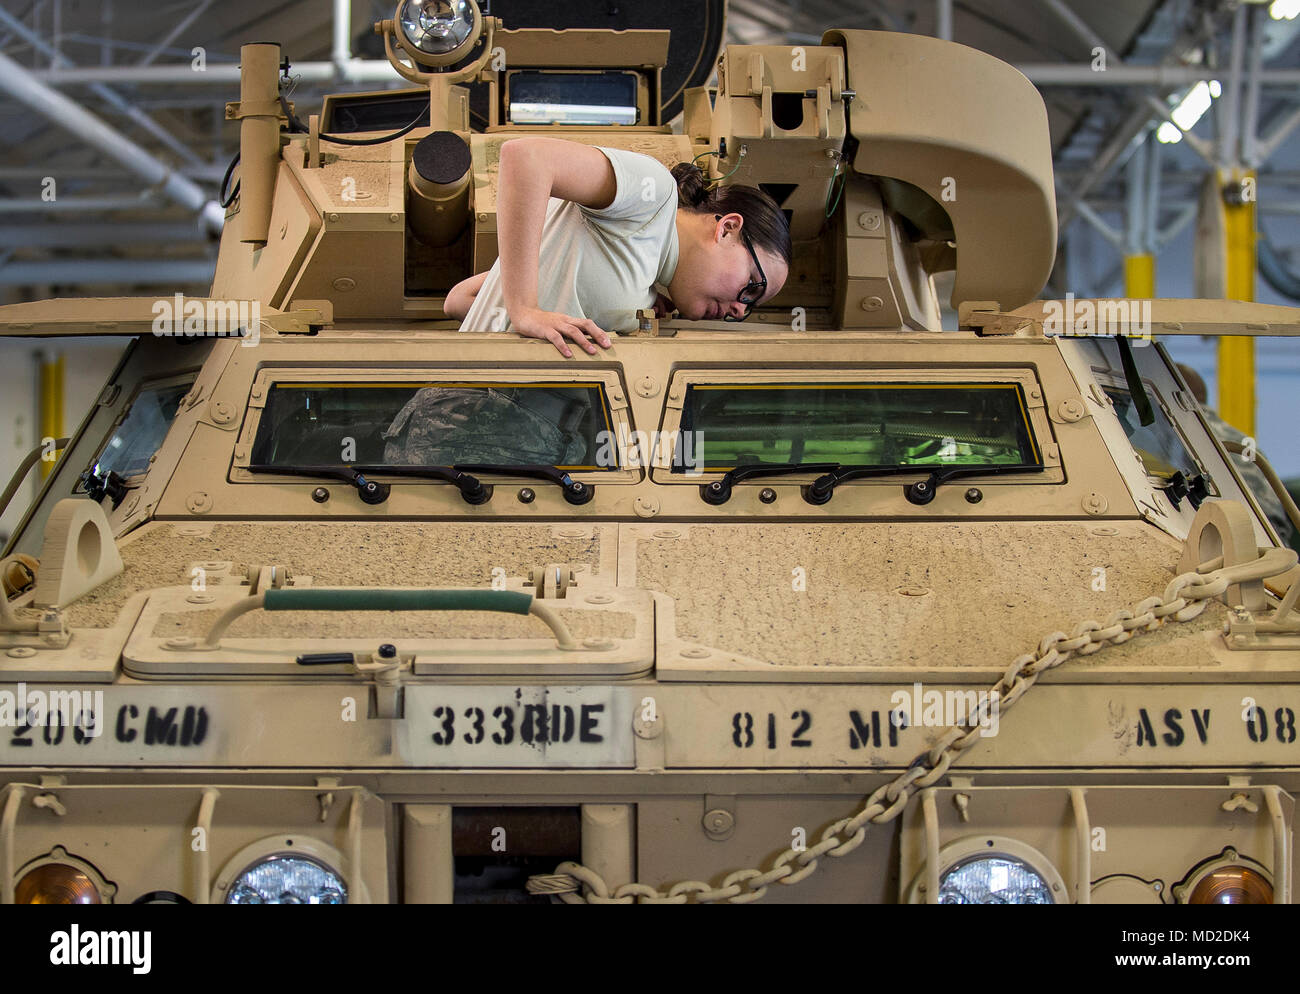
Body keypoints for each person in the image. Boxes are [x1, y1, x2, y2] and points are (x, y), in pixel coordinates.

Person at [445, 137, 791, 357]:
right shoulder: (654, 194)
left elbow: (459, 299)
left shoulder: (649, 276)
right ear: (728, 228)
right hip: (474, 412)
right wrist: (525, 310)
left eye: (750, 308)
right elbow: (526, 157)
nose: (738, 311)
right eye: (751, 288)